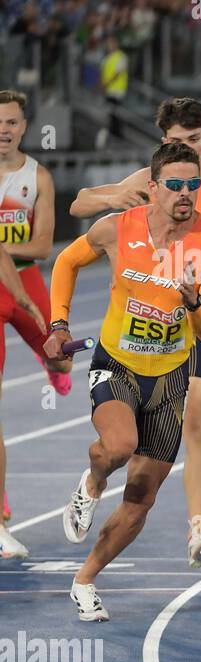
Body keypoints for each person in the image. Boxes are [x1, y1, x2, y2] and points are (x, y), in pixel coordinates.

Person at [47, 142, 201, 622]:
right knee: (120, 445)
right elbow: (65, 263)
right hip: (118, 364)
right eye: (174, 185)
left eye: (193, 183)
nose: (185, 193)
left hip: (170, 378)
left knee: (142, 497)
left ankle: (85, 579)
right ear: (152, 188)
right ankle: (92, 478)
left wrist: (192, 301)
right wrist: (58, 326)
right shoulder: (116, 229)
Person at [71, 97, 201, 567]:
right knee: (153, 433)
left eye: (192, 140)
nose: (185, 148)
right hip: (144, 320)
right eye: (174, 142)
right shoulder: (156, 181)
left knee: (198, 416)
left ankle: (197, 530)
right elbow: (80, 203)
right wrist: (114, 199)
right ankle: (99, 480)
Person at [0, 88, 71, 555]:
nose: (2, 130)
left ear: (24, 127)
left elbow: (45, 246)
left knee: (64, 365)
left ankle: (51, 363)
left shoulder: (37, 177)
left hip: (27, 286)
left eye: (10, 122)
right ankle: (1, 510)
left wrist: (4, 251)